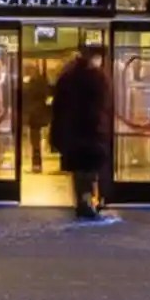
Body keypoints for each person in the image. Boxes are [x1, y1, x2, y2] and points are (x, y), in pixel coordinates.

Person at [50, 46, 111, 221]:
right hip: (91, 132)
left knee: (80, 172)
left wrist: (58, 135)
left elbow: (58, 108)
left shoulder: (67, 77)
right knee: (91, 171)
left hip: (73, 133)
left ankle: (83, 203)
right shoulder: (97, 78)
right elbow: (102, 107)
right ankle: (90, 204)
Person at [22, 66, 53, 174]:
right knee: (36, 141)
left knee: (35, 142)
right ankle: (36, 164)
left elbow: (26, 96)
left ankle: (36, 165)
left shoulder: (31, 84)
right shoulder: (42, 83)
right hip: (39, 115)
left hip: (34, 116)